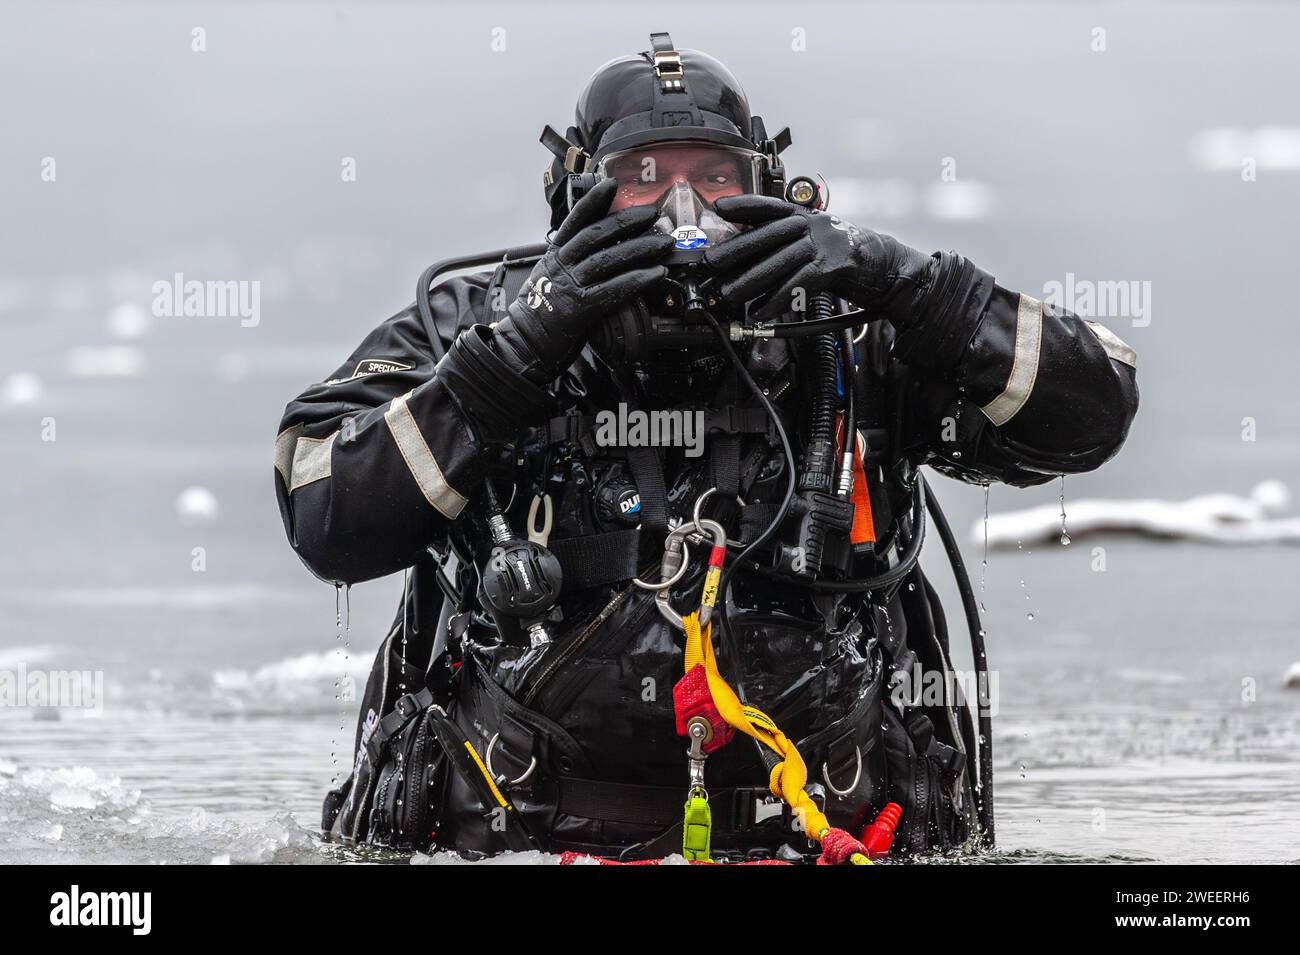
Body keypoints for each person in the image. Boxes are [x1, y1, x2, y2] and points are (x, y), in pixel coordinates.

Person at [274, 32, 1138, 863]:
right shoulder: (475, 327)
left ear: (767, 186)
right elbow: (323, 509)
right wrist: (507, 365)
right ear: (574, 200)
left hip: (829, 829)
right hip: (515, 830)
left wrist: (911, 286)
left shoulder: (850, 332)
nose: (683, 214)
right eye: (641, 181)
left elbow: (1095, 406)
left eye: (714, 178)